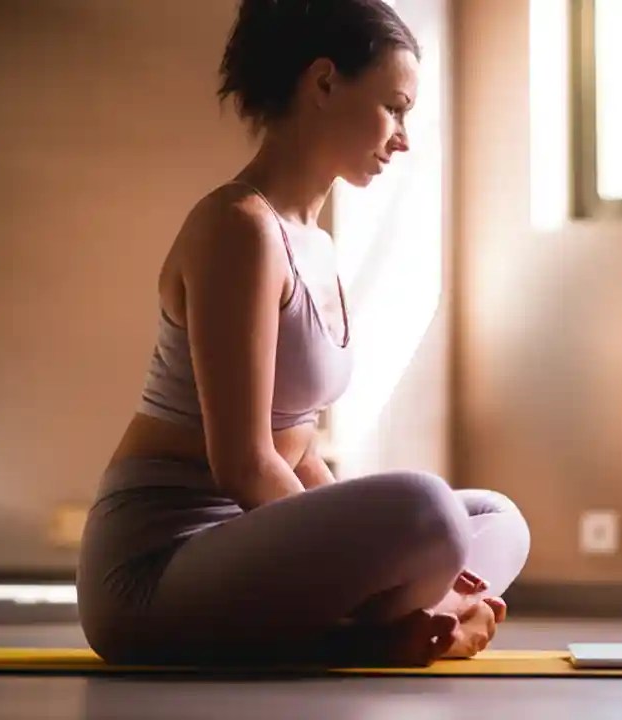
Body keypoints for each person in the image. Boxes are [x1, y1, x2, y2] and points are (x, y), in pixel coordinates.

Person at [75, 0, 531, 667]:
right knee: (426, 511)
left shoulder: (312, 243)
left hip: (251, 546)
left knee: (494, 519)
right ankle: (394, 627)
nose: (403, 137)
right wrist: (387, 552)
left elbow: (300, 450)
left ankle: (393, 626)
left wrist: (385, 551)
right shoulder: (239, 228)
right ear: (322, 83)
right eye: (394, 107)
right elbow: (246, 463)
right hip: (160, 566)